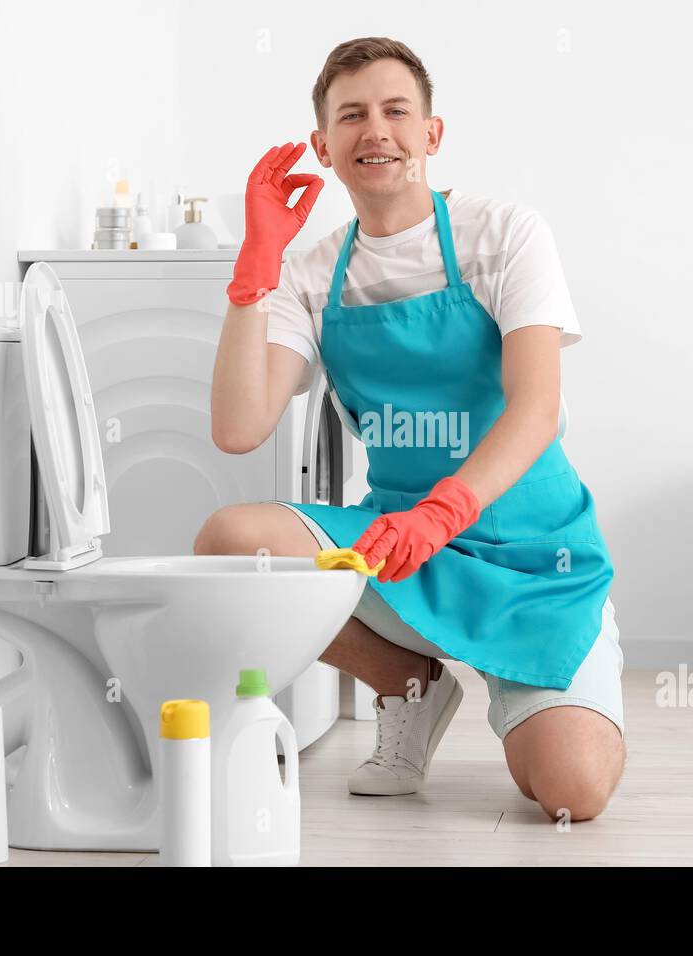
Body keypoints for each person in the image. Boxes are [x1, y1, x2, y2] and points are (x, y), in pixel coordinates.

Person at [196, 36, 623, 821]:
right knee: (230, 540)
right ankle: (409, 686)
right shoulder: (312, 270)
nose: (376, 130)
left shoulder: (506, 234)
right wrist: (253, 270)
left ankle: (540, 684)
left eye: (397, 110)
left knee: (570, 791)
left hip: (536, 557)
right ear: (323, 147)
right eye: (351, 116)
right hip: (400, 545)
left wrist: (445, 510)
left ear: (432, 134)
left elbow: (533, 409)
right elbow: (237, 427)